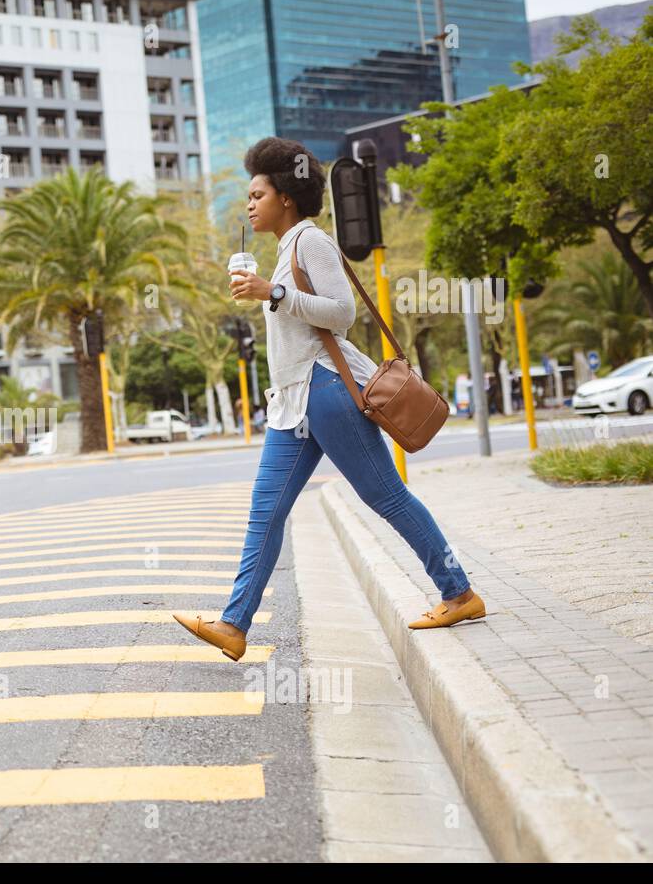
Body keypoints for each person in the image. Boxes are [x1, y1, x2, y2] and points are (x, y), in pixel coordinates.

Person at [172, 136, 485, 661]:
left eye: (256, 194)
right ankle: (234, 624)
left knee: (386, 497)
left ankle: (459, 593)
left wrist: (271, 294)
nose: (249, 205)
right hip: (292, 401)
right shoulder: (283, 248)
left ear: (286, 198)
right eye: (248, 197)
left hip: (327, 390)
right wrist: (266, 290)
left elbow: (342, 313)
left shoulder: (310, 240)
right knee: (265, 512)